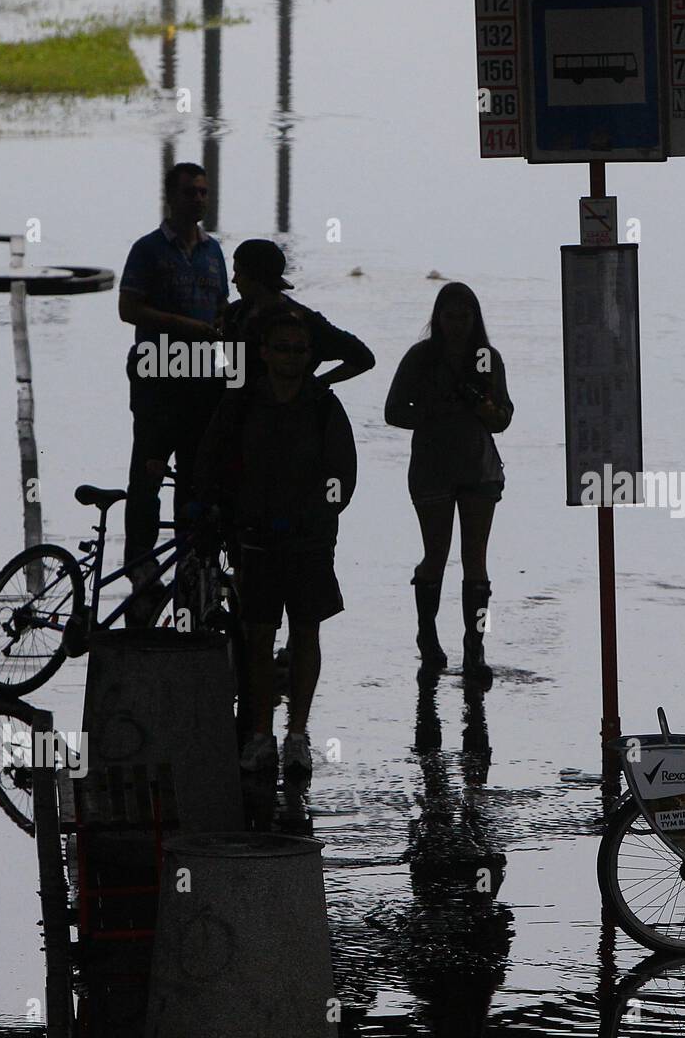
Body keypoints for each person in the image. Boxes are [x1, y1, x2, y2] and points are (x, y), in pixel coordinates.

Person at [195, 310, 357, 778]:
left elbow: (341, 474)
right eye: (281, 348)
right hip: (256, 541)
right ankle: (261, 735)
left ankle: (298, 735)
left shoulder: (324, 404)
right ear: (263, 352)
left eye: (300, 350)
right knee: (260, 636)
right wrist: (216, 513)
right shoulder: (242, 404)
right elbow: (214, 461)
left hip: (309, 542)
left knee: (307, 631)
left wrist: (321, 516)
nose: (291, 357)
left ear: (310, 356)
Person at [384, 282, 513, 684]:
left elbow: (504, 418)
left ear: (475, 319)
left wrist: (482, 405)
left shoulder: (487, 360)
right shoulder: (421, 358)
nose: (457, 324)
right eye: (450, 316)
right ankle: (428, 634)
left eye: (464, 316)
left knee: (476, 560)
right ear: (437, 318)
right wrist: (434, 411)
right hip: (432, 468)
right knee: (435, 555)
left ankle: (474, 648)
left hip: (478, 468)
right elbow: (392, 412)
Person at [118, 162, 229, 621]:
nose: (198, 200)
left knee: (196, 476)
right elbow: (129, 309)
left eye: (203, 193)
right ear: (171, 197)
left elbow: (222, 308)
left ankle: (191, 565)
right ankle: (141, 569)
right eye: (190, 193)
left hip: (202, 381)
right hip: (157, 377)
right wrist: (186, 326)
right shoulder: (148, 250)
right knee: (148, 472)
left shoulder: (213, 252)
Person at [221, 239, 376, 389]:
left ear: (256, 278)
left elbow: (363, 358)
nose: (234, 280)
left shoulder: (304, 322)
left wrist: (314, 386)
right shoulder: (234, 314)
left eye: (239, 273)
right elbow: (230, 373)